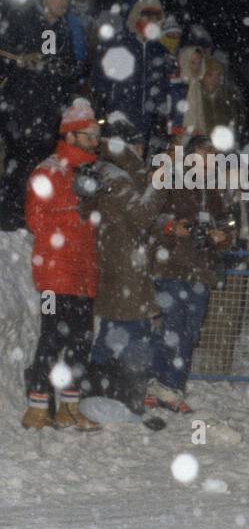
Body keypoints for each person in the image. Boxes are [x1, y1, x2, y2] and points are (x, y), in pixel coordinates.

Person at [21, 99, 102, 431]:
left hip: (82, 275)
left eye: (96, 134)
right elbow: (35, 221)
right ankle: (37, 407)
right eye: (89, 134)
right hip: (53, 277)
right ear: (71, 136)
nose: (95, 140)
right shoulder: (47, 170)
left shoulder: (88, 173)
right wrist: (75, 210)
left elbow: (91, 228)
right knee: (51, 339)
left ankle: (70, 406)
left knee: (82, 342)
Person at [146, 133, 234, 413]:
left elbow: (228, 224)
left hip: (201, 272)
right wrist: (172, 228)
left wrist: (224, 236)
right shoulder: (171, 181)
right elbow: (149, 215)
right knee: (170, 329)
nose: (210, 159)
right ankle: (153, 383)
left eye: (212, 154)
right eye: (204, 153)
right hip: (172, 267)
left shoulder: (214, 191)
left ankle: (173, 388)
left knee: (189, 333)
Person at [86, 112, 165, 411]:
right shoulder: (116, 176)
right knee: (133, 335)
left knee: (111, 331)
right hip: (124, 269)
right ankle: (126, 398)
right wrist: (160, 182)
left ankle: (100, 393)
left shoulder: (109, 171)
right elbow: (143, 213)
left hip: (119, 265)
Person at [0, 0, 87, 230]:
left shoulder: (59, 29)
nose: (66, 3)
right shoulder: (22, 21)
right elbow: (5, 54)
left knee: (39, 167)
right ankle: (8, 217)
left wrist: (62, 67)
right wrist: (20, 60)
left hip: (48, 111)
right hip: (20, 108)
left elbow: (67, 65)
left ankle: (31, 216)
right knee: (18, 164)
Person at [91, 0, 173, 149]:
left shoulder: (161, 52)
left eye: (156, 16)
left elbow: (165, 90)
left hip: (150, 127)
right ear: (136, 16)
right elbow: (99, 83)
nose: (152, 21)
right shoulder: (116, 44)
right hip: (119, 124)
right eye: (147, 14)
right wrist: (107, 114)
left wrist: (160, 120)